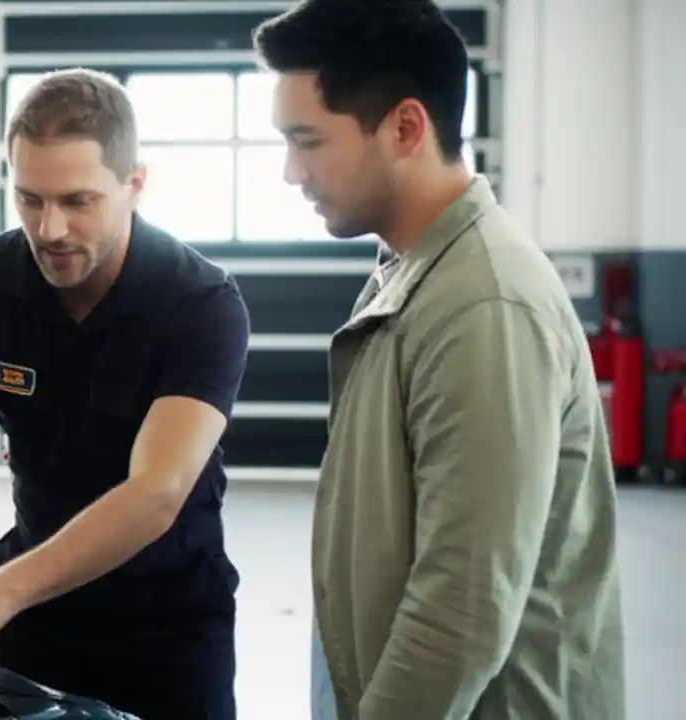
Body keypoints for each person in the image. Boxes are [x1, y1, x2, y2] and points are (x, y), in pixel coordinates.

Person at [249, 1, 626, 719]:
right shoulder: (416, 270)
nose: (290, 172)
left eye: (307, 141)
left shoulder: (484, 304)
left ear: (405, 127)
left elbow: (460, 612)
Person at [0, 67, 250, 719]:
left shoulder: (199, 304)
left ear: (134, 184)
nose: (50, 228)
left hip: (167, 627)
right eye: (29, 198)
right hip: (36, 618)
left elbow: (157, 493)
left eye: (77, 201)